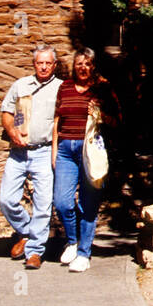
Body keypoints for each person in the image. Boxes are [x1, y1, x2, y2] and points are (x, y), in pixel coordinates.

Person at [0, 43, 63, 269]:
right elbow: (7, 113)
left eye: (48, 63)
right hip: (18, 152)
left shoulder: (61, 88)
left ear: (54, 65)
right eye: (40, 62)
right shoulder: (21, 85)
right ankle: (26, 231)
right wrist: (11, 131)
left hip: (44, 151)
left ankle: (35, 251)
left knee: (44, 204)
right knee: (5, 199)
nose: (44, 67)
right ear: (34, 64)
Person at [52, 48, 110, 273]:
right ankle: (73, 241)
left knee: (88, 204)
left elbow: (118, 119)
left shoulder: (102, 88)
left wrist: (100, 114)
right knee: (62, 202)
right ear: (74, 66)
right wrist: (54, 151)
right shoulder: (64, 87)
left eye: (87, 64)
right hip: (66, 150)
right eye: (79, 64)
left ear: (93, 66)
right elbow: (57, 120)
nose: (83, 68)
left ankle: (84, 253)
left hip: (91, 150)